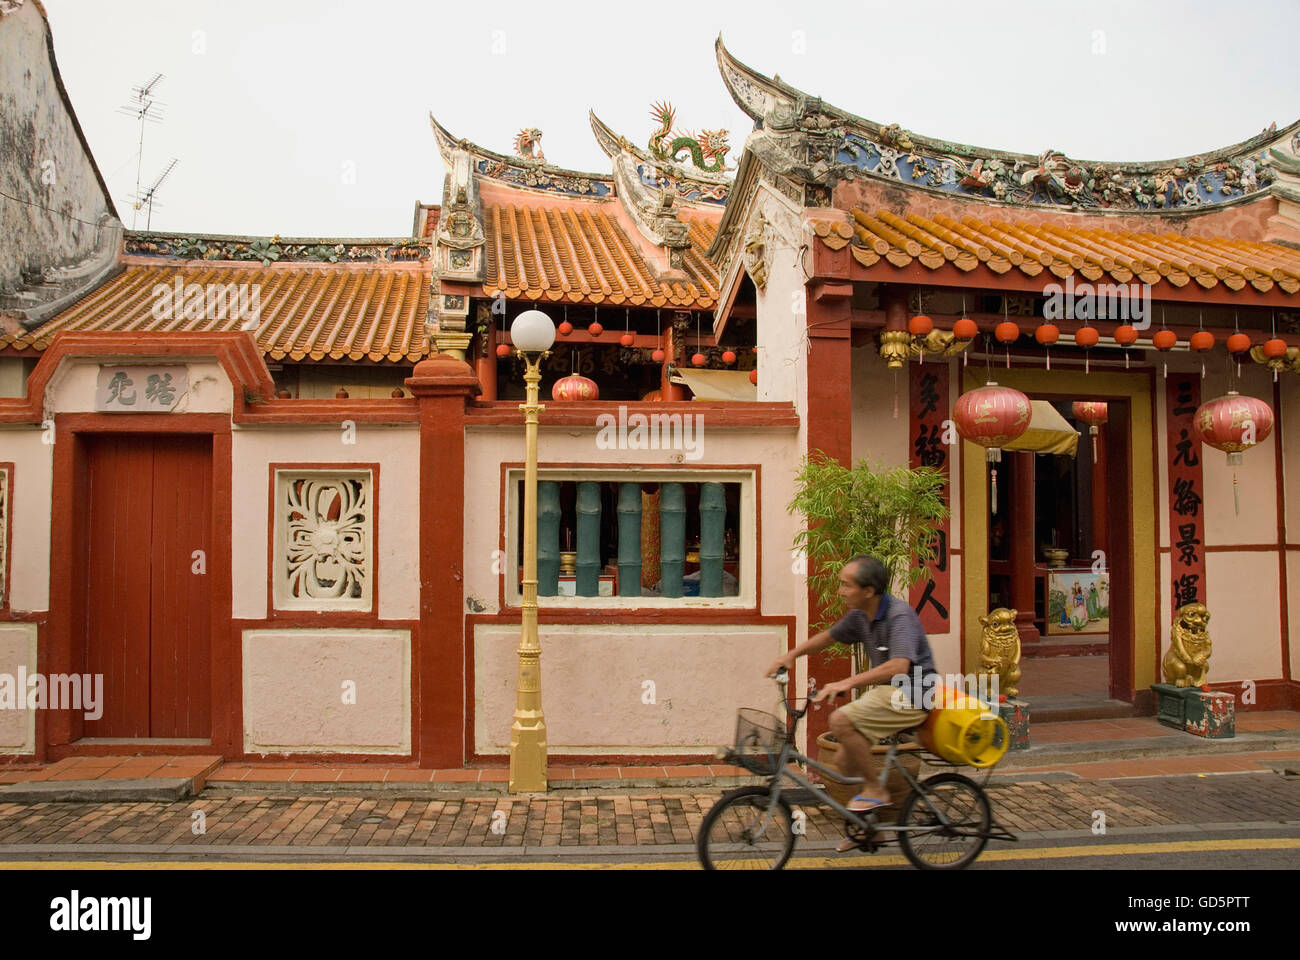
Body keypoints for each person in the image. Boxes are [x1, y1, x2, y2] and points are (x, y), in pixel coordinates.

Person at [766, 554, 940, 849]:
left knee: (840, 720)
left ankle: (875, 789)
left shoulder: (899, 616)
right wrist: (791, 655)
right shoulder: (861, 615)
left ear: (869, 591)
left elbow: (898, 665)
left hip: (913, 693)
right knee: (846, 761)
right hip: (890, 693)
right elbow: (829, 637)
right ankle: (871, 827)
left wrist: (847, 681)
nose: (840, 591)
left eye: (846, 586)